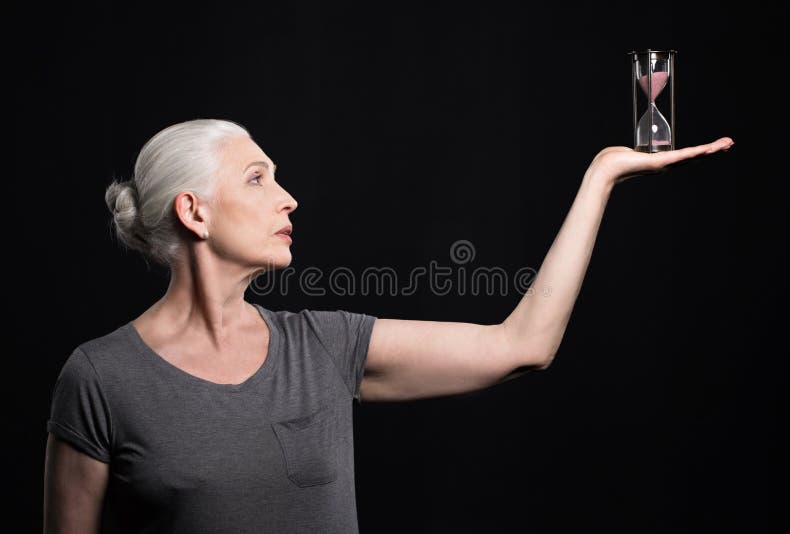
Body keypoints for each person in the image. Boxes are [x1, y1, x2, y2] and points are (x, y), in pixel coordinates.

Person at [43, 118, 734, 533]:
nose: (287, 198)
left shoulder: (325, 347)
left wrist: (601, 177)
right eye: (257, 179)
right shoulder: (102, 378)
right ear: (194, 213)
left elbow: (523, 345)